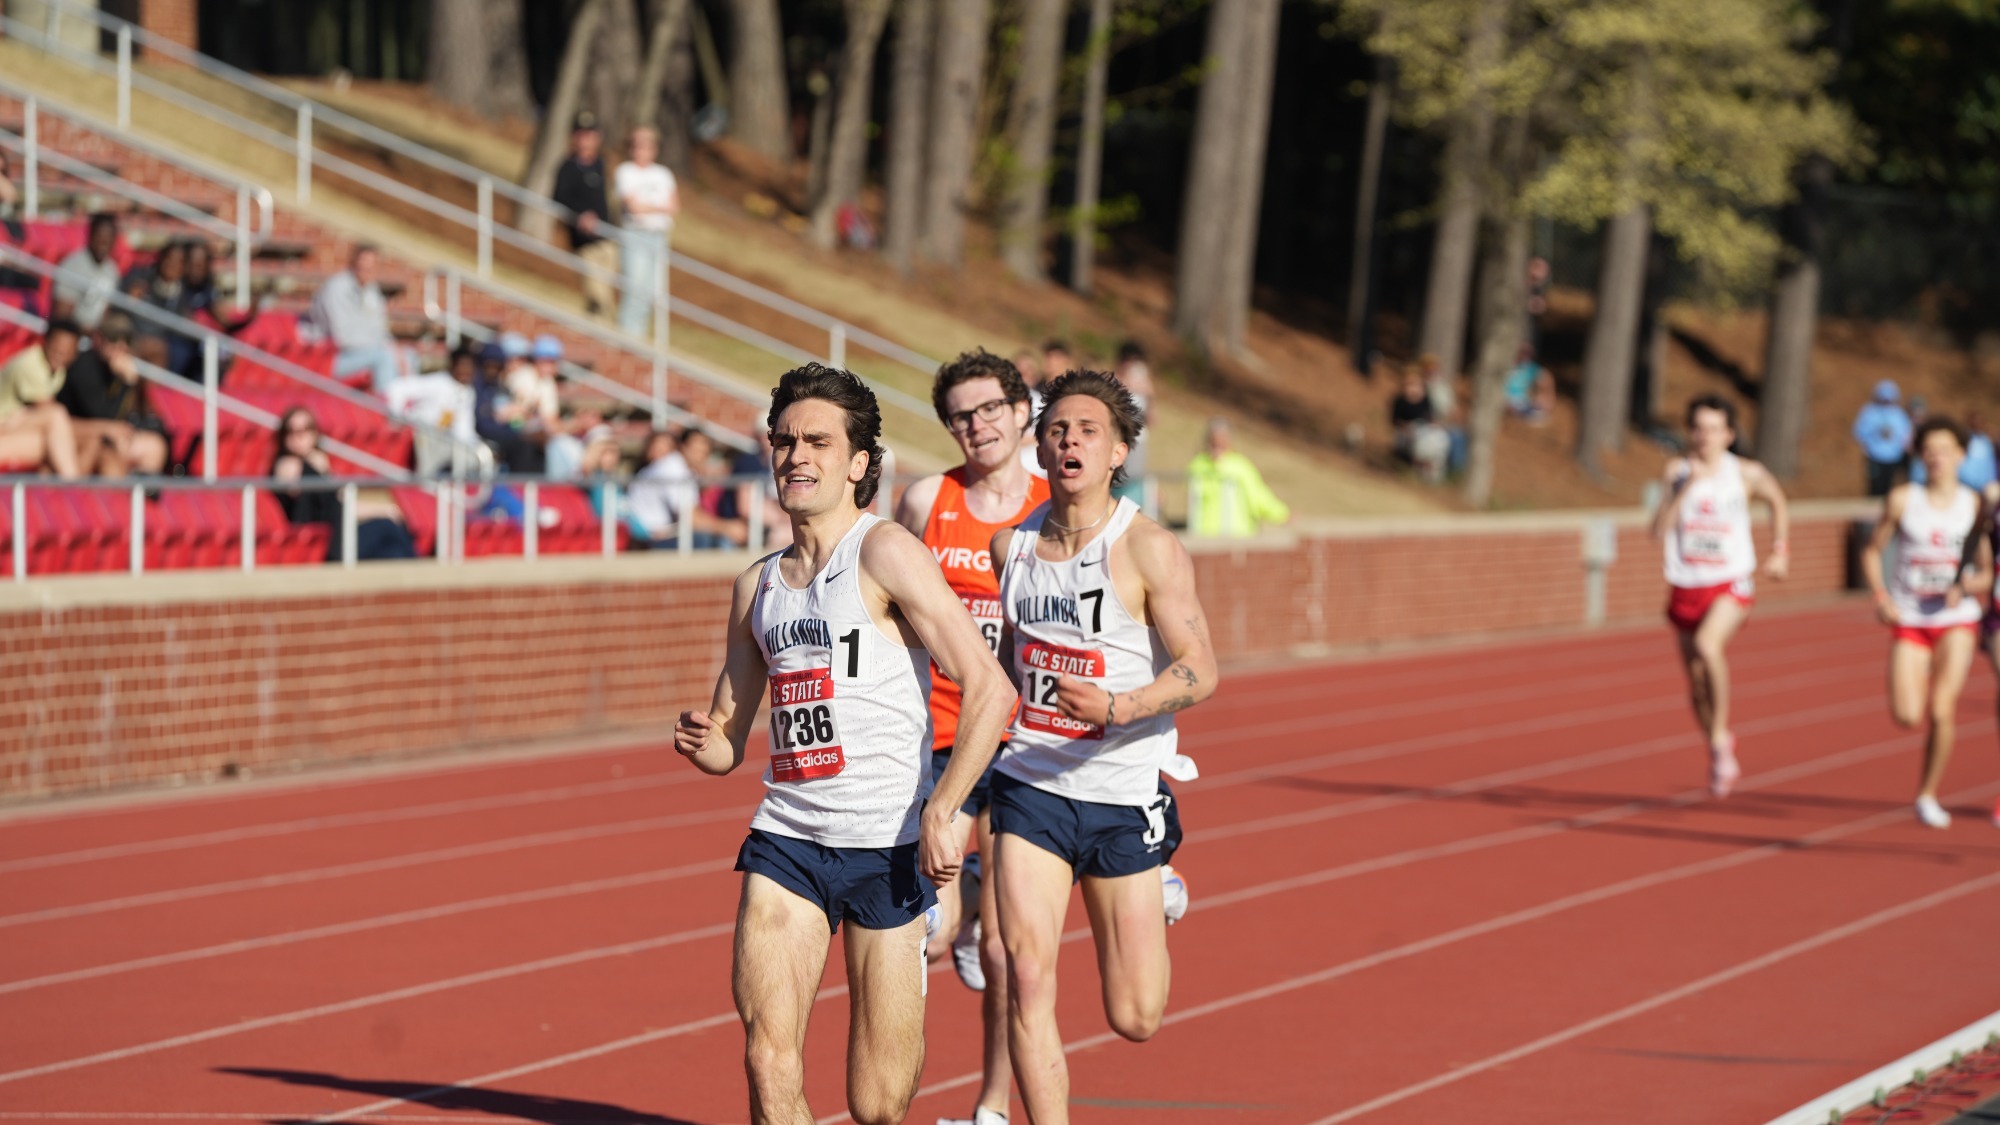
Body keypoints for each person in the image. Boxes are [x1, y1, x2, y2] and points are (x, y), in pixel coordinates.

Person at [673, 363, 1013, 1125]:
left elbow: (991, 687)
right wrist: (703, 739)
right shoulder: (757, 585)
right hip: (788, 840)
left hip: (887, 845)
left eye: (817, 442)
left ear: (858, 463)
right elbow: (729, 741)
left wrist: (944, 808)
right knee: (769, 1058)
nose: (796, 455)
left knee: (879, 1104)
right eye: (784, 440)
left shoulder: (885, 551)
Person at [990, 370, 1218, 1125]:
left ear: (1118, 451)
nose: (1070, 441)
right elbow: (1010, 665)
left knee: (1136, 1014)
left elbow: (1200, 668)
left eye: (1088, 430)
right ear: (1039, 449)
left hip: (1121, 791)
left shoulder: (1148, 547)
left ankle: (1160, 873)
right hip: (1031, 785)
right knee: (1026, 976)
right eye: (1056, 429)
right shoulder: (1011, 547)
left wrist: (1120, 706)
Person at [893, 348, 1049, 1125]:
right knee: (933, 935)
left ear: (1022, 412)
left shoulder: (1061, 502)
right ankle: (967, 899)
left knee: (1003, 952)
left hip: (1028, 747)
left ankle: (991, 1107)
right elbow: (886, 604)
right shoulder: (928, 500)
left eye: (990, 408)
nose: (977, 425)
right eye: (961, 415)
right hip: (947, 740)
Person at [1648, 396, 1790, 798]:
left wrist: (1780, 550)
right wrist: (1684, 489)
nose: (1704, 436)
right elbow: (1657, 530)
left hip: (1730, 581)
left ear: (1728, 434)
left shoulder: (1745, 472)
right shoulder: (1676, 471)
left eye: (1713, 429)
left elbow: (1778, 501)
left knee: (1709, 647)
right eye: (1698, 428)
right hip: (1685, 582)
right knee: (1696, 684)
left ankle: (1718, 736)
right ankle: (1719, 742)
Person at [1862, 418, 1992, 829]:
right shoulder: (1903, 499)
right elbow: (1871, 550)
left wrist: (1966, 585)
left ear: (1961, 455)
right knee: (1906, 714)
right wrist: (1880, 596)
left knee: (1941, 709)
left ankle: (1927, 794)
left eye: (1945, 450)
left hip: (1956, 619)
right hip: (1910, 617)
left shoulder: (1974, 505)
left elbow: (1988, 570)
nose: (1937, 458)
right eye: (1929, 450)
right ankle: (1920, 673)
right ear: (1919, 456)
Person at [270, 407, 415, 560]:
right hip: (325, 543)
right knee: (388, 529)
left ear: (314, 433)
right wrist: (313, 463)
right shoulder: (287, 465)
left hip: (339, 534)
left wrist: (386, 510)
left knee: (392, 547)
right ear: (283, 435)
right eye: (291, 431)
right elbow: (291, 483)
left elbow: (340, 505)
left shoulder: (319, 465)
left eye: (306, 429)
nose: (298, 436)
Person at [55, 312, 170, 476]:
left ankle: (141, 491)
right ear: (98, 338)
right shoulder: (84, 366)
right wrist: (126, 384)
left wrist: (133, 385)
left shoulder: (117, 366)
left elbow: (134, 414)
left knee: (155, 446)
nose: (121, 346)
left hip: (104, 432)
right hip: (76, 431)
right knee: (111, 456)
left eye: (127, 339)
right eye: (114, 338)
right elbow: (102, 415)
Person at [305, 244, 407, 395]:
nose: (366, 269)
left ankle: (404, 405)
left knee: (408, 357)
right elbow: (343, 339)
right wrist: (385, 349)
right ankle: (385, 408)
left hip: (362, 352)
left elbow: (380, 330)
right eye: (363, 264)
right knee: (384, 358)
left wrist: (395, 351)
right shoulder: (336, 289)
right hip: (328, 358)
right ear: (353, 263)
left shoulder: (371, 290)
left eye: (371, 266)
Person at [627, 427, 747, 548]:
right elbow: (690, 518)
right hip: (645, 538)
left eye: (704, 452)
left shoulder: (682, 469)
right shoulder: (673, 469)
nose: (700, 457)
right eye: (696, 451)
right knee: (708, 540)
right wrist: (728, 528)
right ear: (683, 447)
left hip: (659, 533)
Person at [614, 125, 680, 338]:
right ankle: (626, 335)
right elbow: (633, 207)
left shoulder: (663, 174)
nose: (641, 150)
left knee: (652, 291)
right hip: (635, 232)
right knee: (634, 287)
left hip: (658, 236)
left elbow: (674, 206)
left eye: (646, 146)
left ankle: (638, 336)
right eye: (637, 146)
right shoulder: (626, 171)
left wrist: (647, 206)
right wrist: (658, 207)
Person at [553, 111, 617, 322]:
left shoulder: (601, 165)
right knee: (595, 292)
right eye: (581, 134)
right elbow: (559, 198)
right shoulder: (568, 168)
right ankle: (597, 328)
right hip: (584, 242)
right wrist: (580, 215)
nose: (585, 140)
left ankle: (602, 330)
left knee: (606, 293)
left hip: (606, 239)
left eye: (589, 135)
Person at [0, 319, 83, 478]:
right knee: (56, 416)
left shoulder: (57, 369)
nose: (60, 352)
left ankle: (72, 487)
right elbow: (52, 415)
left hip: (14, 427)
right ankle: (73, 484)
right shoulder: (30, 365)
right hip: (4, 426)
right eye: (57, 347)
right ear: (46, 341)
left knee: (53, 443)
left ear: (74, 352)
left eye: (66, 349)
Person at [1187, 417, 1290, 538]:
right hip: (1203, 536)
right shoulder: (1198, 465)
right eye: (1214, 442)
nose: (1217, 444)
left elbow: (1259, 497)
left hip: (1237, 537)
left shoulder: (1241, 466)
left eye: (1222, 441)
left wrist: (1283, 514)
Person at [51, 213, 123, 332]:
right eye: (100, 237)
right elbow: (62, 316)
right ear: (90, 236)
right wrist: (87, 333)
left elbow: (107, 311)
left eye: (108, 238)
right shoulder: (72, 266)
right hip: (74, 333)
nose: (103, 243)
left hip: (97, 335)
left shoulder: (112, 270)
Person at [1390, 366, 1450, 482]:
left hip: (1425, 431)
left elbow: (1430, 418)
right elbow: (1395, 421)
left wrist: (1435, 424)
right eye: (1410, 384)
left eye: (1416, 384)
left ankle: (1433, 472)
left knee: (1440, 438)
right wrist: (1406, 427)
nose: (1413, 388)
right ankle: (1421, 468)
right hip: (1407, 435)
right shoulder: (1400, 401)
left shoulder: (1426, 399)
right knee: (1422, 441)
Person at [1853, 381, 1912, 498]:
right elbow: (1859, 432)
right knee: (1875, 487)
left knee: (1890, 488)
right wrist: (1866, 447)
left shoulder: (1899, 414)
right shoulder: (1869, 412)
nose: (1886, 402)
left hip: (1894, 457)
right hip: (1875, 457)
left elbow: (1906, 435)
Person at [1962, 412, 1996, 491]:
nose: (1977, 424)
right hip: (1965, 485)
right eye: (1975, 421)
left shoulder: (1986, 442)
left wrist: (1989, 482)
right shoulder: (1964, 439)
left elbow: (1990, 464)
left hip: (1985, 487)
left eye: (1980, 421)